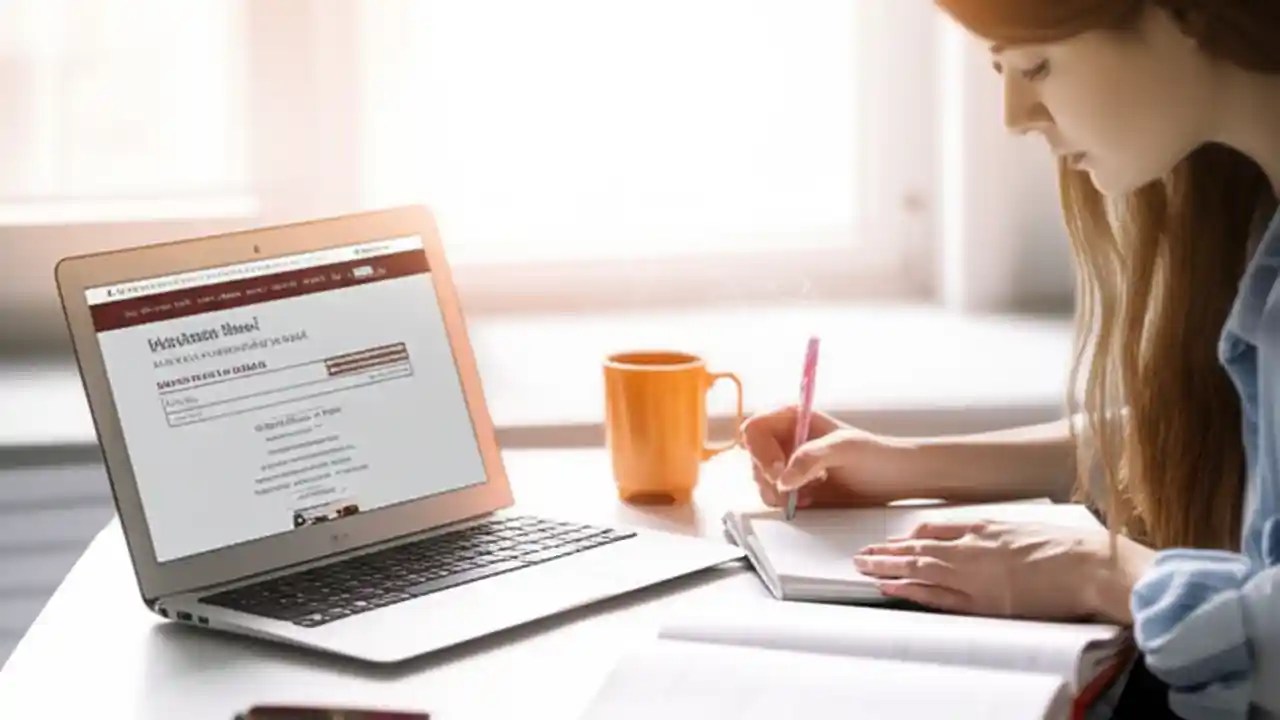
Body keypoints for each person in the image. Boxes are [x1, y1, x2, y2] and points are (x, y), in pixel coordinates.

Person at [740, 2, 1280, 718]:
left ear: (1182, 11)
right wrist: (904, 466)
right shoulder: (1251, 221)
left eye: (1035, 66)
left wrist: (1105, 572)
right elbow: (1210, 430)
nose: (1015, 116)